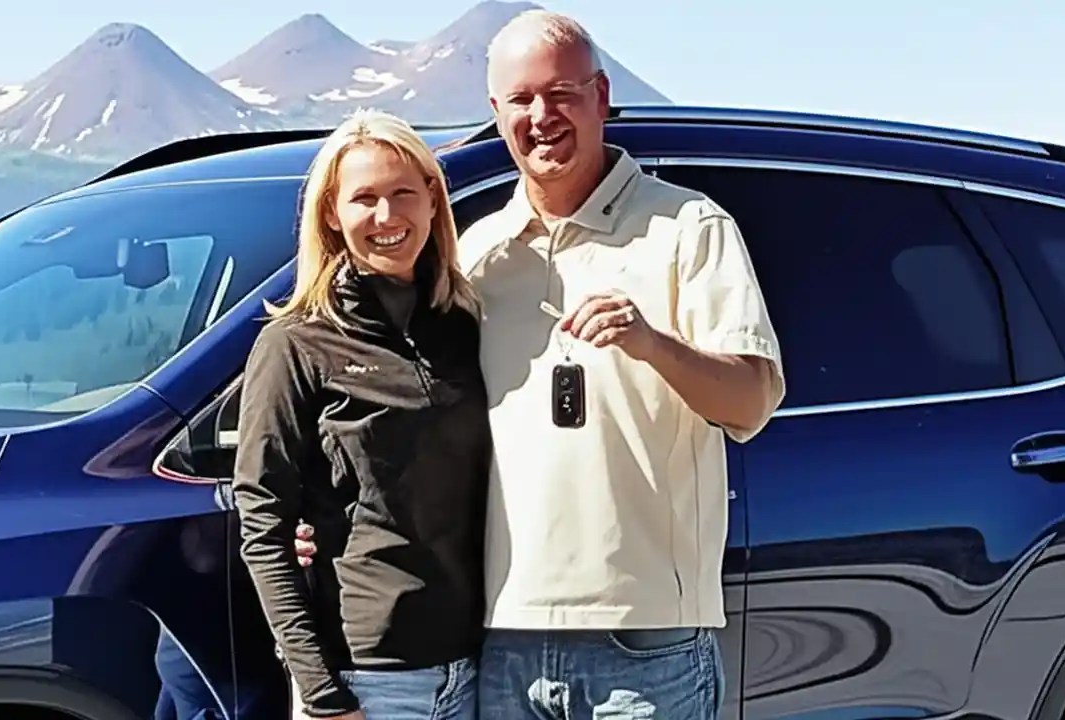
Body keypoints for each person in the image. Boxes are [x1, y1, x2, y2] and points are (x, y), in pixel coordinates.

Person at [297, 9, 785, 719]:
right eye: (521, 100)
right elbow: (409, 415)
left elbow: (750, 403)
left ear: (602, 97)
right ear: (497, 113)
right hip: (501, 633)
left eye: (561, 94)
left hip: (643, 638)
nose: (541, 116)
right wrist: (320, 517)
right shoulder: (476, 255)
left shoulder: (688, 228)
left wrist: (650, 342)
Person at [232, 108, 491, 720]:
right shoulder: (295, 343)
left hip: (482, 667)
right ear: (331, 213)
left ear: (433, 199)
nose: (386, 217)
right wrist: (321, 694)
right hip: (368, 680)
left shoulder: (465, 327)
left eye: (404, 193)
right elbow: (263, 523)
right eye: (364, 198)